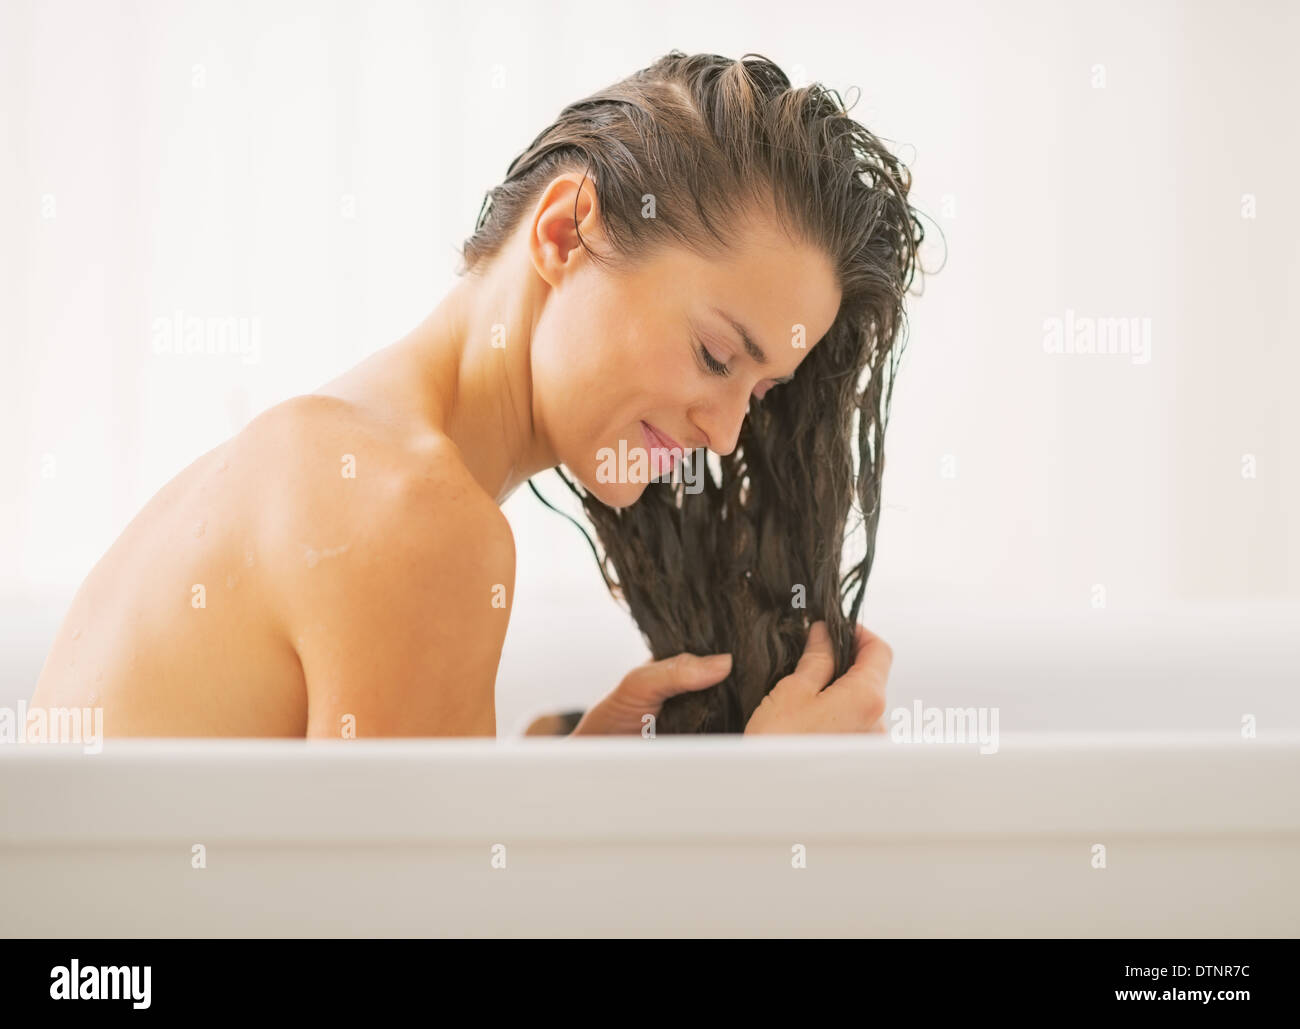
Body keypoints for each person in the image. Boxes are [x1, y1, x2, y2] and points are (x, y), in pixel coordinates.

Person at [33, 51, 921, 738]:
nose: (727, 437)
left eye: (760, 393)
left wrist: (561, 799)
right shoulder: (409, 510)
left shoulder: (344, 453)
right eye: (715, 353)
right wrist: (766, 815)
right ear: (568, 233)